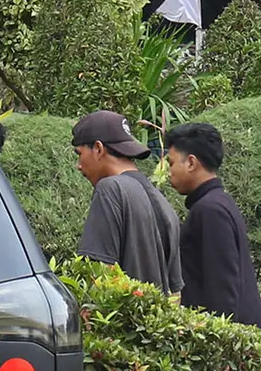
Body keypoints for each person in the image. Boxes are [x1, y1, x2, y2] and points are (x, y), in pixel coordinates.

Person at [161, 122, 261, 327]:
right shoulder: (217, 203)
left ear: (191, 162)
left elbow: (222, 291)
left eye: (171, 163)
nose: (168, 172)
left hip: (228, 345)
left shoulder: (209, 211)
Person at [72, 110, 181, 293]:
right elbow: (176, 292)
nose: (79, 165)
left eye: (79, 153)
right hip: (157, 318)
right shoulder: (161, 200)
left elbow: (99, 275)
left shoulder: (110, 188)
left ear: (98, 149)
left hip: (124, 320)